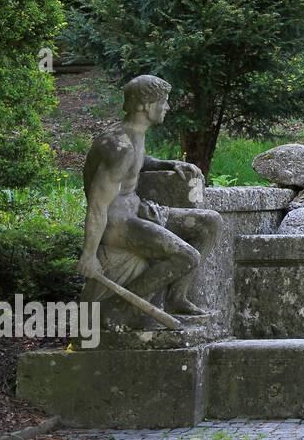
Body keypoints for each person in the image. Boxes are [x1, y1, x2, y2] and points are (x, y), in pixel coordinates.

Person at [79, 75, 217, 323]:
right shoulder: (119, 147)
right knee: (187, 256)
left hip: (136, 210)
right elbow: (98, 205)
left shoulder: (133, 134)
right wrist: (88, 255)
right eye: (163, 101)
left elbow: (136, 164)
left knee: (209, 223)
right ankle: (119, 309)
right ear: (145, 105)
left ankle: (177, 298)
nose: (167, 107)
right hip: (117, 225)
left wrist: (165, 164)